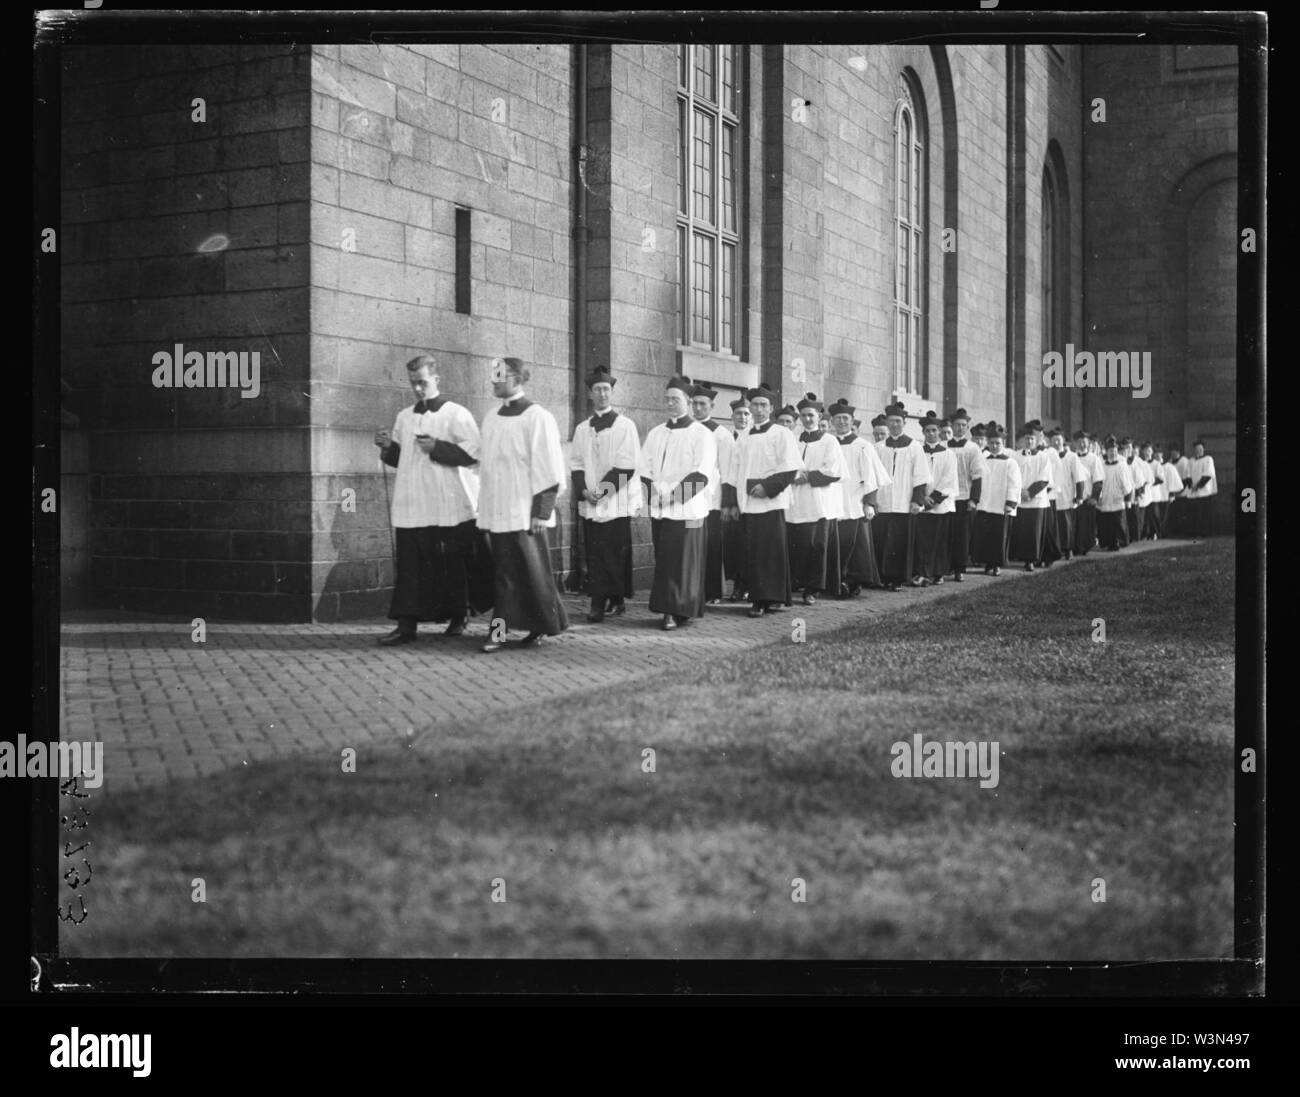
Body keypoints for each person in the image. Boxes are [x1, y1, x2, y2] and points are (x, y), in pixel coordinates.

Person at [374, 354, 492, 645]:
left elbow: (473, 455)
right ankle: (406, 626)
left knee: (450, 563)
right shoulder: (404, 416)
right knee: (411, 565)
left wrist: (437, 447)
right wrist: (389, 447)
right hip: (413, 502)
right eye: (413, 383)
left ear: (436, 380)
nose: (418, 389)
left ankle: (458, 615)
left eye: (423, 382)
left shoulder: (456, 414)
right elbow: (404, 459)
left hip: (447, 503)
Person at [476, 356, 570, 652]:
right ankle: (499, 631)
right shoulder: (491, 417)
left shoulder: (537, 417)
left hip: (525, 512)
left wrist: (541, 511)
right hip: (498, 510)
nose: (494, 381)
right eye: (492, 376)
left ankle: (539, 626)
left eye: (499, 376)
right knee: (504, 573)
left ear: (516, 379)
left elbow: (549, 467)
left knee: (533, 573)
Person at [640, 376, 717, 630]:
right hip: (660, 508)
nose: (671, 403)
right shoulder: (655, 433)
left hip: (689, 510)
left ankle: (682, 609)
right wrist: (654, 493)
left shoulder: (702, 434)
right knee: (665, 559)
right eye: (668, 399)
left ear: (688, 401)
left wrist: (673, 496)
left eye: (676, 399)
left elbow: (702, 473)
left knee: (687, 559)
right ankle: (668, 609)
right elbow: (645, 468)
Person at [569, 367, 640, 623]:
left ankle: (616, 598)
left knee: (615, 552)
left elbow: (627, 465)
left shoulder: (625, 426)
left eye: (606, 389)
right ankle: (598, 601)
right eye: (597, 390)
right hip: (591, 501)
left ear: (612, 392)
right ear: (590, 394)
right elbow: (576, 464)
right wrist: (584, 492)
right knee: (596, 553)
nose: (602, 394)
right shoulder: (582, 429)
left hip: (614, 501)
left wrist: (602, 492)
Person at [727, 383, 800, 617]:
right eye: (755, 405)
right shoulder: (744, 436)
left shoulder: (782, 433)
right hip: (748, 502)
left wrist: (767, 487)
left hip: (770, 501)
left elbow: (791, 469)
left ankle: (771, 598)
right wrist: (732, 502)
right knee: (753, 552)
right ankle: (758, 598)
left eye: (763, 405)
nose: (758, 410)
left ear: (771, 408)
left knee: (772, 551)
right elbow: (733, 470)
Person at [786, 393, 847, 606]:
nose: (807, 419)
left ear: (819, 415)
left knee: (817, 546)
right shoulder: (793, 439)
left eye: (811, 415)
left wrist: (807, 477)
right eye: (803, 416)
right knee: (798, 544)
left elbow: (834, 470)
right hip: (797, 501)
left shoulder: (829, 441)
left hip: (819, 501)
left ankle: (813, 588)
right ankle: (797, 582)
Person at [828, 398, 889, 594]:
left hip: (854, 500)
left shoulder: (863, 445)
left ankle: (852, 582)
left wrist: (869, 503)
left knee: (854, 543)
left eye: (845, 418)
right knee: (834, 542)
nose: (841, 422)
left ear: (852, 421)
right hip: (832, 500)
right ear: (832, 421)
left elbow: (871, 476)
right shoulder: (828, 443)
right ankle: (834, 581)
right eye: (837, 418)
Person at [874, 402, 930, 591]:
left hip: (904, 502)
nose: (894, 425)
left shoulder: (914, 447)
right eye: (891, 421)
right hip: (884, 502)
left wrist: (917, 500)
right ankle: (883, 577)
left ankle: (897, 578)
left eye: (898, 421)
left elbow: (921, 476)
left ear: (904, 422)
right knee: (883, 540)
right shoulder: (879, 447)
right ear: (887, 423)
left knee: (900, 542)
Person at [690, 382, 733, 606]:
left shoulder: (722, 435)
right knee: (693, 543)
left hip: (712, 499)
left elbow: (727, 471)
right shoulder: (686, 431)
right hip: (689, 500)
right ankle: (694, 587)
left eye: (702, 404)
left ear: (712, 406)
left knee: (713, 545)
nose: (697, 408)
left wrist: (726, 502)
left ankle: (714, 591)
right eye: (694, 403)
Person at [971, 422, 1021, 575]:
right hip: (986, 504)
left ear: (1003, 443)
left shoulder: (1010, 462)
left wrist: (1010, 503)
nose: (994, 446)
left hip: (1000, 505)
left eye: (997, 443)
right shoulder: (983, 459)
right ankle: (987, 563)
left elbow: (1015, 484)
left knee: (999, 536)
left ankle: (997, 564)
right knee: (986, 535)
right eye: (991, 443)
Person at [916, 412, 959, 585]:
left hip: (941, 505)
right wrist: (922, 498)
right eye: (927, 431)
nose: (931, 434)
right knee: (923, 541)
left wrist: (932, 499)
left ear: (939, 431)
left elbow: (949, 479)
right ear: (923, 433)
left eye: (934, 430)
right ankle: (922, 572)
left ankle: (938, 572)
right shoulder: (917, 452)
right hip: (922, 502)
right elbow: (915, 475)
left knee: (940, 541)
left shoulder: (949, 454)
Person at [946, 408, 985, 582]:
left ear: (967, 427)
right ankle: (945, 567)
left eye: (963, 425)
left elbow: (977, 476)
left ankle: (959, 569)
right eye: (957, 425)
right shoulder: (944, 445)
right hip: (946, 498)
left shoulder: (972, 448)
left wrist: (973, 499)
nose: (960, 428)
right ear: (952, 426)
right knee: (947, 533)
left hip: (964, 497)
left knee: (962, 535)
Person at [1010, 423, 1052, 570]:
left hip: (1036, 500)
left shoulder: (1043, 457)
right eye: (1027, 439)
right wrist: (1020, 491)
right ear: (1023, 440)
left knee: (1034, 531)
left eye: (1032, 439)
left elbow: (1045, 477)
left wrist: (1030, 492)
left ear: (1036, 441)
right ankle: (1022, 557)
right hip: (1021, 498)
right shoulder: (1015, 456)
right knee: (1023, 530)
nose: (1029, 442)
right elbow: (1012, 475)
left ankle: (1032, 560)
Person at [723, 398, 752, 601]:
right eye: (738, 414)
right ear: (732, 416)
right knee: (732, 545)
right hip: (731, 500)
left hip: (751, 500)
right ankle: (736, 586)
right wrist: (729, 503)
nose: (742, 417)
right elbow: (726, 474)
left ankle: (747, 584)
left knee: (748, 545)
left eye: (746, 414)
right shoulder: (726, 438)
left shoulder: (754, 437)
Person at [1047, 425, 1087, 560]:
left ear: (1063, 440)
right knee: (1054, 525)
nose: (1056, 443)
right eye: (1053, 440)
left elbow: (1079, 477)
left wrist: (1079, 496)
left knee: (1066, 525)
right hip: (1051, 497)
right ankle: (1055, 549)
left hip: (1066, 496)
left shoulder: (1071, 457)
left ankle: (1068, 548)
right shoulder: (1047, 456)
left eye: (1058, 440)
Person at [1096, 434, 1135, 551]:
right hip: (1106, 498)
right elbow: (1099, 482)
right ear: (1106, 452)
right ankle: (1108, 542)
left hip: (1118, 498)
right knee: (1107, 522)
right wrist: (1099, 496)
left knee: (1118, 522)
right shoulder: (1101, 465)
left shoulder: (1122, 465)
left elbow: (1127, 482)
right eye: (1110, 451)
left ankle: (1118, 541)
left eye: (1115, 451)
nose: (1113, 453)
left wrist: (1127, 497)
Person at [1071, 430, 1104, 556]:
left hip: (1087, 498)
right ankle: (1074, 547)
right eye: (1079, 442)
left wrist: (1095, 497)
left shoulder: (1093, 459)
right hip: (1073, 499)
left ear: (1088, 443)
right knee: (1075, 525)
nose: (1082, 445)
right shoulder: (1071, 457)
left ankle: (1085, 547)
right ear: (1075, 443)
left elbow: (1098, 479)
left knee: (1086, 526)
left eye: (1084, 442)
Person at [1185, 439, 1218, 539]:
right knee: (1193, 513)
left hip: (1204, 491)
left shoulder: (1208, 459)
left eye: (1200, 448)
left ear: (1203, 449)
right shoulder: (1190, 461)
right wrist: (1191, 485)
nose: (1198, 450)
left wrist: (1198, 486)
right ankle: (1194, 532)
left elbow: (1208, 474)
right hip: (1193, 492)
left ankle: (1204, 532)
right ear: (1194, 450)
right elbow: (1188, 474)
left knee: (1203, 513)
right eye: (1196, 449)